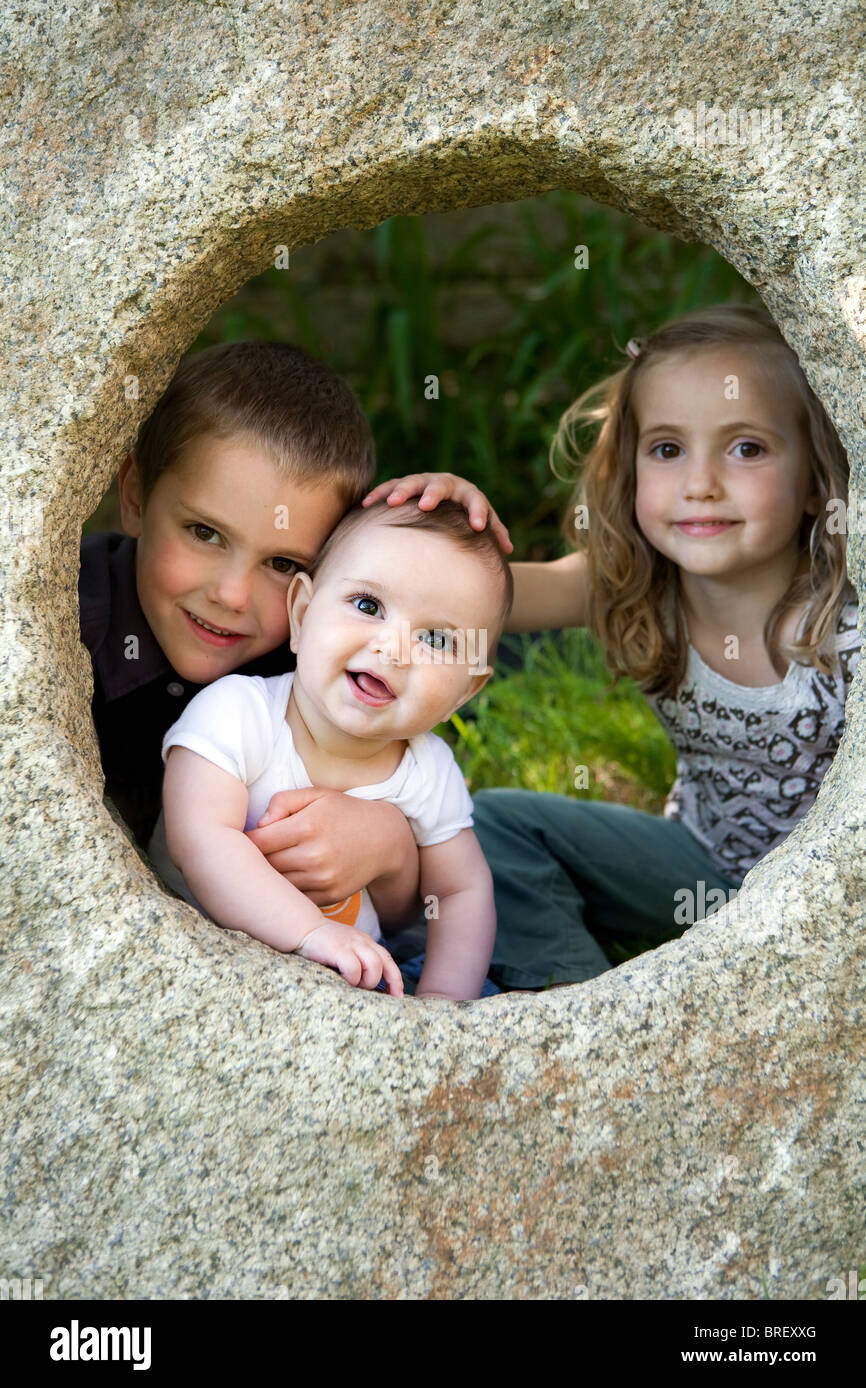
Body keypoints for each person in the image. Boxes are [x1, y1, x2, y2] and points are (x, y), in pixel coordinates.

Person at [362, 304, 861, 989]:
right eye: (666, 449)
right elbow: (475, 594)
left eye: (747, 448)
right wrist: (445, 520)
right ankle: (577, 1004)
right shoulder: (633, 584)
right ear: (631, 473)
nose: (699, 484)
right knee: (499, 827)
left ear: (814, 480)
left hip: (840, 899)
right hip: (705, 868)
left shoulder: (846, 619)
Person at [79, 340, 422, 931]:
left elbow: (410, 909)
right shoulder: (63, 621)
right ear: (134, 497)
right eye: (204, 532)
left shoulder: (315, 662)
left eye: (283, 564)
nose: (232, 596)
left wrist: (390, 843)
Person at [155, 499, 513, 999]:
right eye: (368, 606)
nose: (392, 648)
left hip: (347, 992)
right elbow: (200, 839)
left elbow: (460, 892)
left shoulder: (428, 769)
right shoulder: (238, 714)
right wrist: (311, 932)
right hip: (196, 963)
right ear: (302, 614)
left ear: (465, 692)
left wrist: (441, 1010)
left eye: (434, 638)